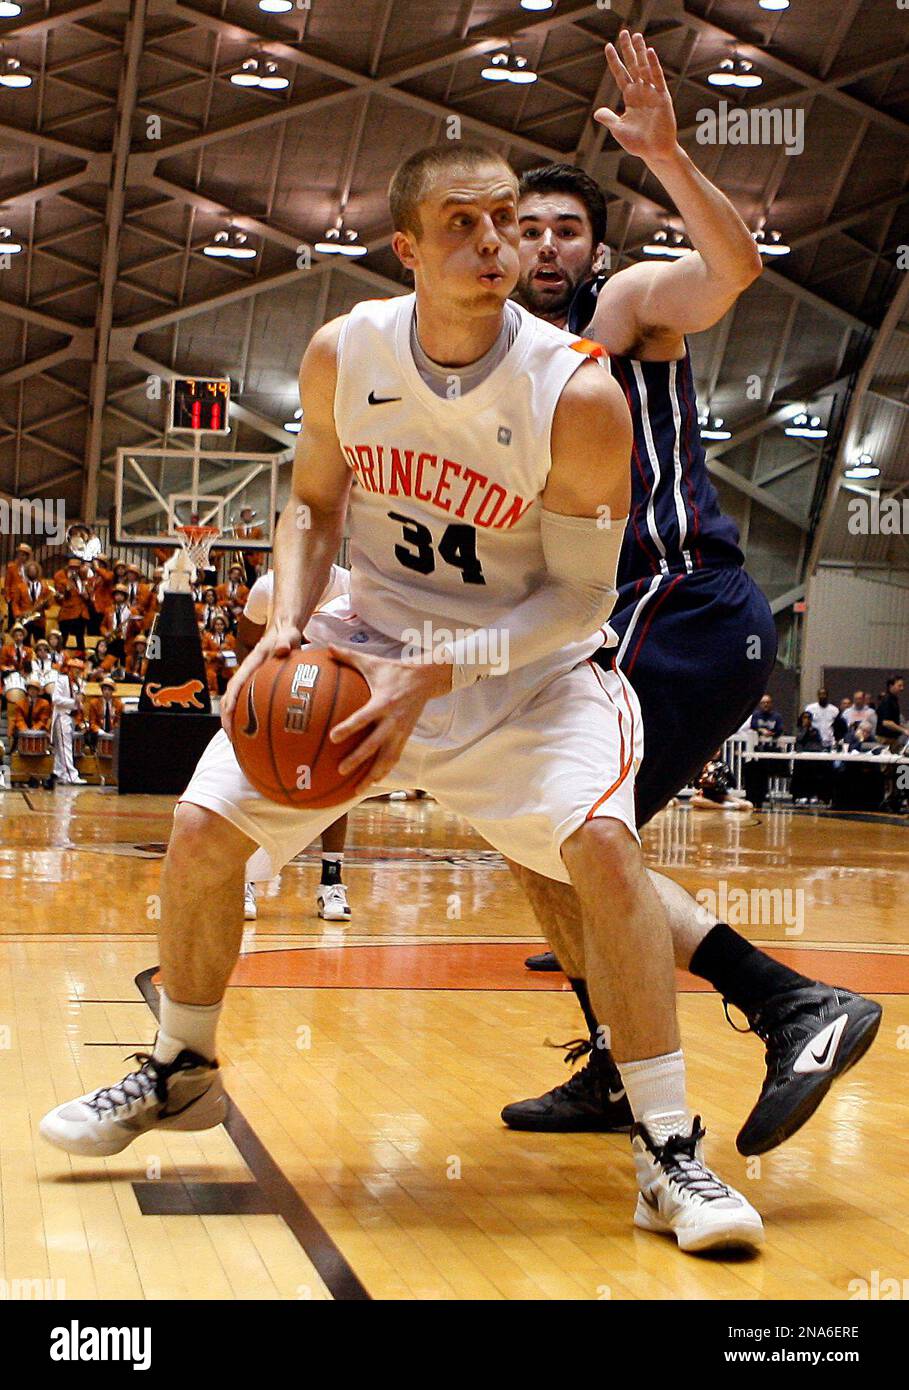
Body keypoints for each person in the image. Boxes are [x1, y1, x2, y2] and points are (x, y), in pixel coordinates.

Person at [40, 136, 766, 1255]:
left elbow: (582, 602)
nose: (498, 245)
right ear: (408, 248)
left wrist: (439, 666)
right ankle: (180, 1063)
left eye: (509, 222)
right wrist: (287, 620)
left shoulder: (577, 391)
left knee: (602, 852)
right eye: (466, 226)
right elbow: (312, 506)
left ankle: (668, 1146)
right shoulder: (346, 351)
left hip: (525, 674)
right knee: (199, 829)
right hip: (360, 647)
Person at [501, 33, 880, 1149]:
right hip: (617, 631)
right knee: (546, 850)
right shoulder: (496, 370)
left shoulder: (620, 311)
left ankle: (791, 1001)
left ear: (594, 246)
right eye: (527, 229)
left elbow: (731, 273)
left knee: (566, 838)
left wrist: (666, 155)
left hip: (683, 605)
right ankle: (624, 1069)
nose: (547, 244)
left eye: (566, 226)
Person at [237, 564, 354, 923]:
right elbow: (244, 639)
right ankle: (244, 878)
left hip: (327, 706)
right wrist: (251, 690)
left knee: (338, 787)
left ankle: (331, 882)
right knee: (250, 785)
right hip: (272, 706)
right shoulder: (267, 588)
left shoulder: (354, 588)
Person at [50, 656, 86, 786]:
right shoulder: (62, 680)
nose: (77, 671)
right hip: (62, 716)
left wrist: (79, 705)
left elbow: (80, 702)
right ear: (70, 669)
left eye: (79, 669)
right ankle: (72, 775)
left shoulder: (81, 683)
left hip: (72, 718)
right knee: (65, 747)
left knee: (62, 748)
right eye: (75, 669)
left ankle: (59, 773)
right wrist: (74, 703)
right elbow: (55, 699)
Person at [53, 557, 90, 652]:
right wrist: (66, 590)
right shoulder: (61, 577)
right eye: (72, 568)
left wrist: (87, 595)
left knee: (80, 639)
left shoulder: (82, 578)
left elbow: (89, 595)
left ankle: (81, 659)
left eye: (76, 568)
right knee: (63, 639)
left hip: (81, 613)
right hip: (67, 613)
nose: (74, 570)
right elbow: (59, 598)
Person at [10, 560, 53, 643]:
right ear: (27, 572)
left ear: (37, 572)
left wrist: (46, 603)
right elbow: (15, 603)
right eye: (30, 570)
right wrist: (19, 614)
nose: (32, 572)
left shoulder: (44, 587)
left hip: (39, 620)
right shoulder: (20, 587)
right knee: (25, 643)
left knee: (40, 643)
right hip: (25, 619)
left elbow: (49, 604)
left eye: (34, 570)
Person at [791, 711, 825, 803]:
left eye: (809, 718)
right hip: (801, 758)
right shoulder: (798, 730)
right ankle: (799, 795)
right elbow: (800, 739)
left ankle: (813, 795)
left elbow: (818, 743)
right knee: (800, 772)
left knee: (815, 771)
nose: (807, 720)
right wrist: (805, 729)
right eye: (805, 717)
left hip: (812, 757)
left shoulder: (815, 731)